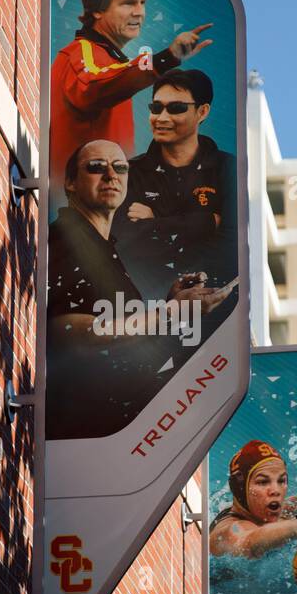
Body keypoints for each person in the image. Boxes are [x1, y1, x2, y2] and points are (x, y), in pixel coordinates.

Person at [46, 139, 235, 440]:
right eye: (96, 167)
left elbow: (123, 331)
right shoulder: (65, 240)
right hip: (79, 437)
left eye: (120, 167)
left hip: (108, 435)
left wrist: (170, 302)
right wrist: (170, 312)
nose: (111, 175)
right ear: (70, 182)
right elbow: (64, 330)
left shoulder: (104, 247)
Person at [49, 0, 213, 199]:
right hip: (76, 205)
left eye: (142, 3)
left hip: (100, 206)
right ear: (97, 10)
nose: (139, 12)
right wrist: (166, 58)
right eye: (128, 3)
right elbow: (93, 87)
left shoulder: (108, 59)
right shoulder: (81, 52)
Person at [112, 69, 237, 298]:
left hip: (215, 310)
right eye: (156, 108)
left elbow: (231, 245)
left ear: (202, 111)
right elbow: (126, 244)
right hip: (147, 313)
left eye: (176, 108)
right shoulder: (128, 173)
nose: (162, 118)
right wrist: (206, 222)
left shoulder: (230, 169)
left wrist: (156, 223)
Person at [209, 440, 297, 558]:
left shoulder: (260, 511)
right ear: (240, 489)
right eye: (262, 482)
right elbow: (248, 541)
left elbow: (294, 503)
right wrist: (294, 525)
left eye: (281, 480)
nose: (276, 490)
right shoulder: (227, 530)